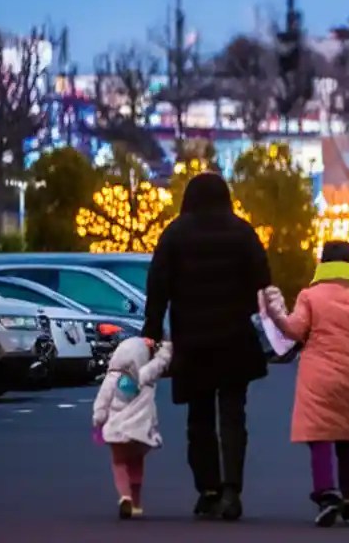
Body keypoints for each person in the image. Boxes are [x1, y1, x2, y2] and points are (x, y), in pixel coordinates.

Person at [142, 172, 271, 521]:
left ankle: (208, 488)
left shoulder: (175, 234)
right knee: (233, 416)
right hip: (235, 339)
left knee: (198, 418)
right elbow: (264, 283)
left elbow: (158, 288)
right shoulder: (243, 233)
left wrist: (151, 333)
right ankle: (232, 489)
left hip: (193, 340)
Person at [262, 240, 349, 528]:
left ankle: (328, 493)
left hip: (317, 375)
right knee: (347, 437)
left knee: (320, 436)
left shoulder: (310, 296)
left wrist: (276, 316)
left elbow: (294, 329)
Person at [91, 337, 174, 519]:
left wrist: (98, 422)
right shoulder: (145, 375)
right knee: (137, 464)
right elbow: (162, 361)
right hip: (140, 432)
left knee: (119, 463)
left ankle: (125, 497)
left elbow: (101, 405)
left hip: (117, 431)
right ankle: (136, 503)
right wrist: (165, 346)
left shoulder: (112, 378)